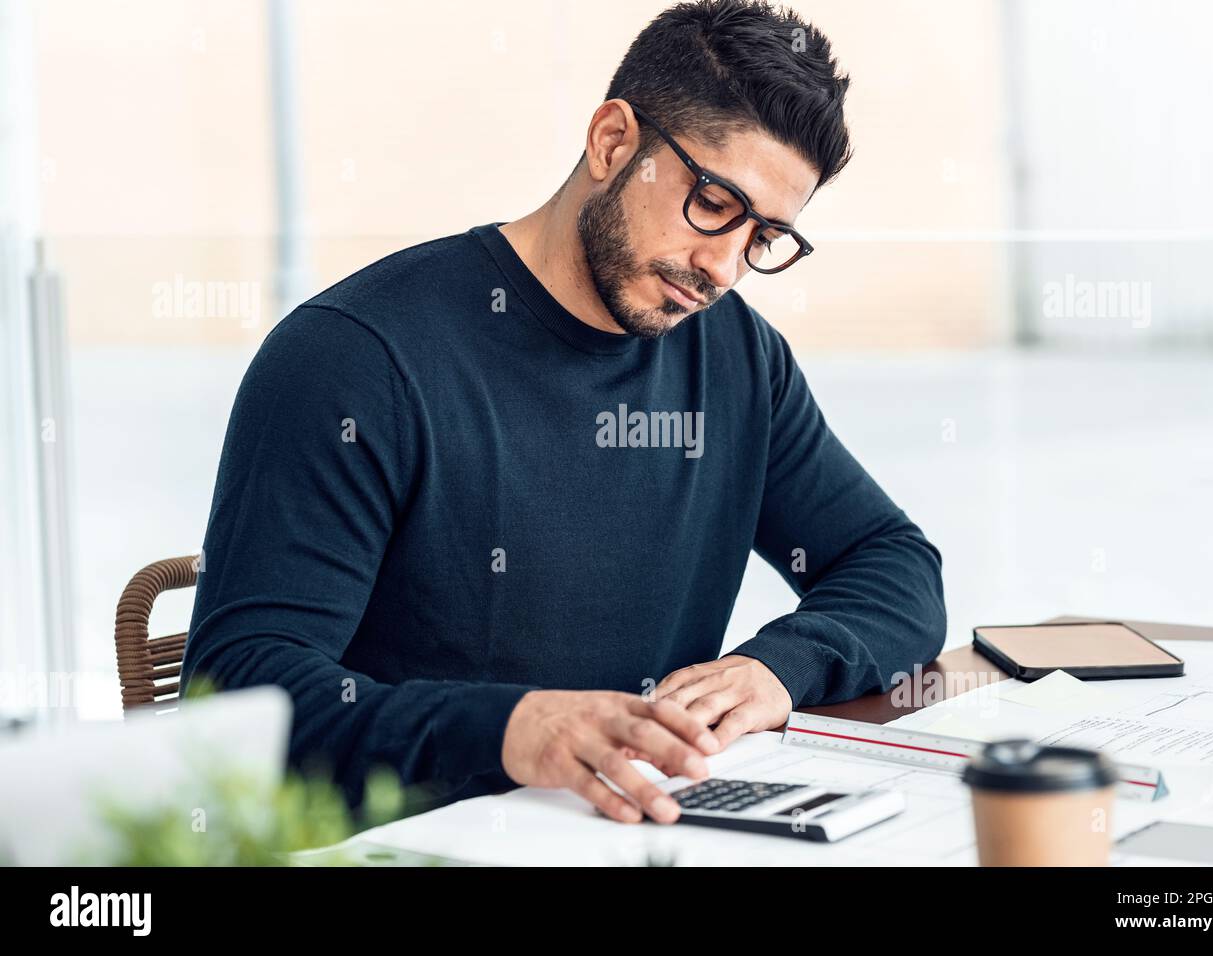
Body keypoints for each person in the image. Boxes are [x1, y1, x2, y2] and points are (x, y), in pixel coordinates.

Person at [179, 0, 946, 826]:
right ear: (614, 142)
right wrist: (508, 728)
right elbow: (238, 697)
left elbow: (895, 564)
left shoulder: (737, 360)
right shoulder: (355, 361)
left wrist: (781, 668)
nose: (723, 268)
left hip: (636, 833)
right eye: (715, 203)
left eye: (763, 238)